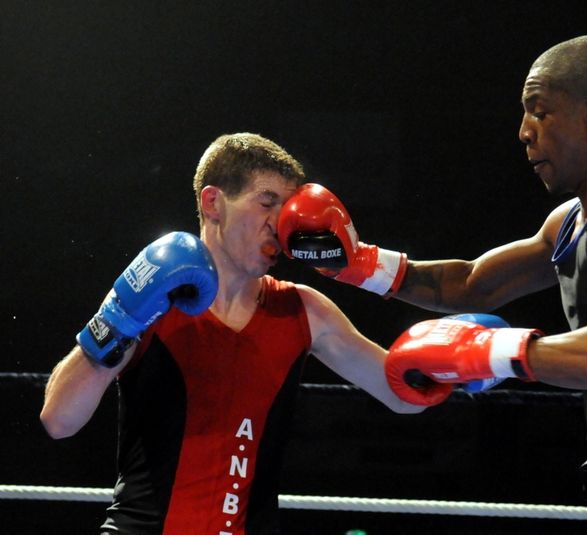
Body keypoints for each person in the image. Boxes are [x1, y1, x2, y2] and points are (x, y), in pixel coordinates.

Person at [277, 35, 587, 533]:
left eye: (539, 112)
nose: (524, 132)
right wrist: (358, 263)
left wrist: (488, 351)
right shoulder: (569, 223)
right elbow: (470, 284)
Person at [39, 132, 423, 535]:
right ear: (213, 203)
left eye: (287, 210)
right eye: (266, 203)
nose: (280, 224)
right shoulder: (153, 299)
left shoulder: (304, 311)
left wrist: (455, 351)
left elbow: (404, 396)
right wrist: (119, 319)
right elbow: (59, 420)